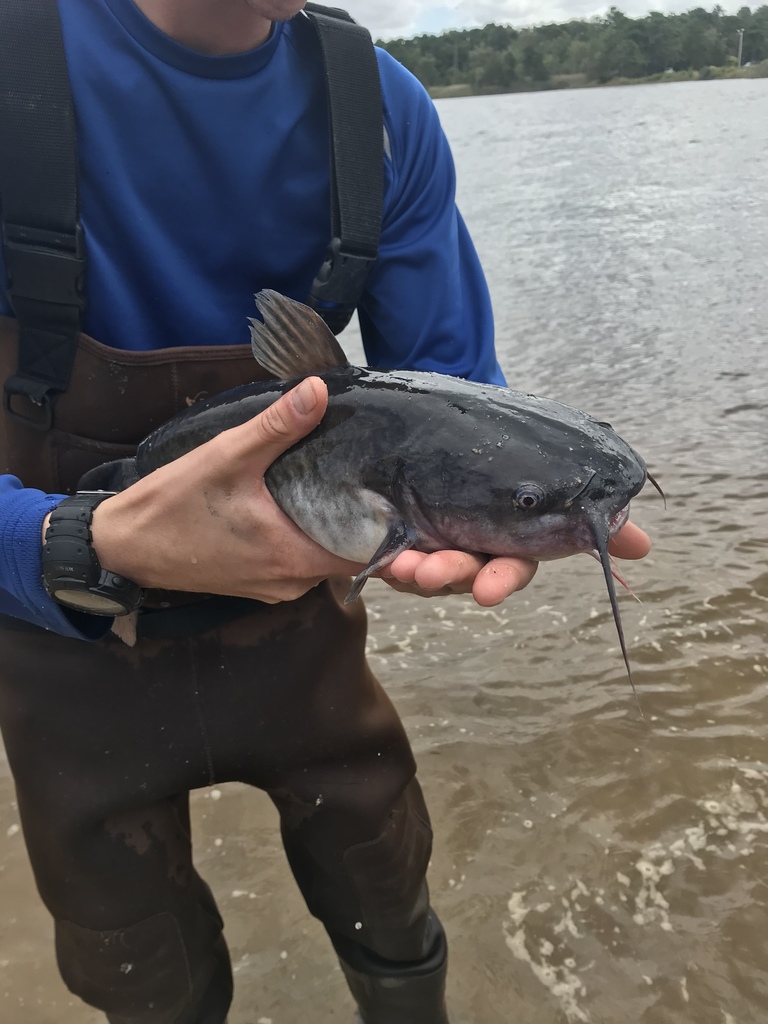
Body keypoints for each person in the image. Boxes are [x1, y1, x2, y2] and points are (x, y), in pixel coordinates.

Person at [0, 2, 651, 1022]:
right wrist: (71, 545)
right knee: (144, 969)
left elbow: (455, 398)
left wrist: (524, 493)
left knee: (388, 892)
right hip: (61, 627)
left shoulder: (378, 109)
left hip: (299, 628)